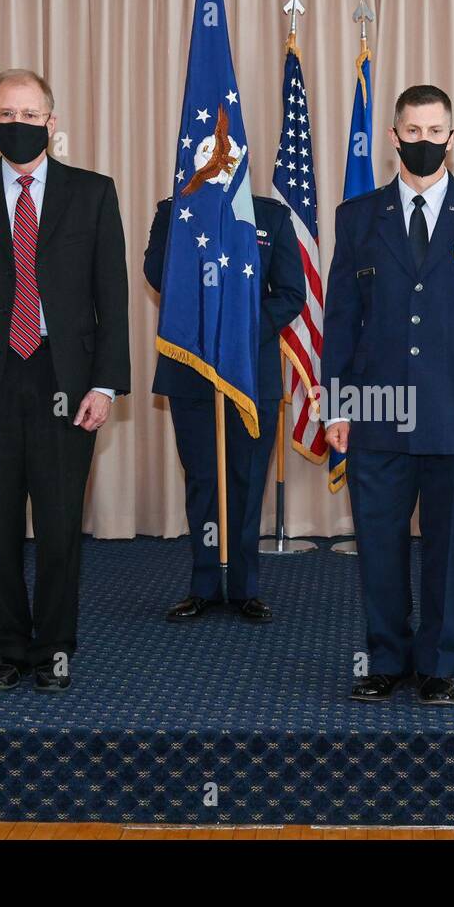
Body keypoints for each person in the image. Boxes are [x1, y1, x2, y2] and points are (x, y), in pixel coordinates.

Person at [322, 84, 454, 706]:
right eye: (412, 131)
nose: (424, 142)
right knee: (379, 544)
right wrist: (336, 404)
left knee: (445, 548)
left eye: (435, 132)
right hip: (376, 413)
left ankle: (437, 663)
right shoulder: (357, 217)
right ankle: (385, 659)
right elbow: (339, 317)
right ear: (393, 136)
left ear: (452, 137)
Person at [0, 68, 130, 692]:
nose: (18, 125)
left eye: (29, 114)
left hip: (64, 379)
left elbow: (112, 297)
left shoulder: (93, 193)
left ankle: (55, 648)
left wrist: (106, 385)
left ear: (52, 119)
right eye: (5, 115)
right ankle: (6, 649)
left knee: (60, 522)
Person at [143, 195, 307, 622]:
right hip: (192, 369)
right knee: (203, 480)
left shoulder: (271, 216)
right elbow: (156, 273)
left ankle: (245, 586)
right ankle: (204, 584)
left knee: (247, 480)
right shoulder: (174, 211)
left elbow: (291, 293)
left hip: (252, 371)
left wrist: (236, 328)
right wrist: (206, 324)